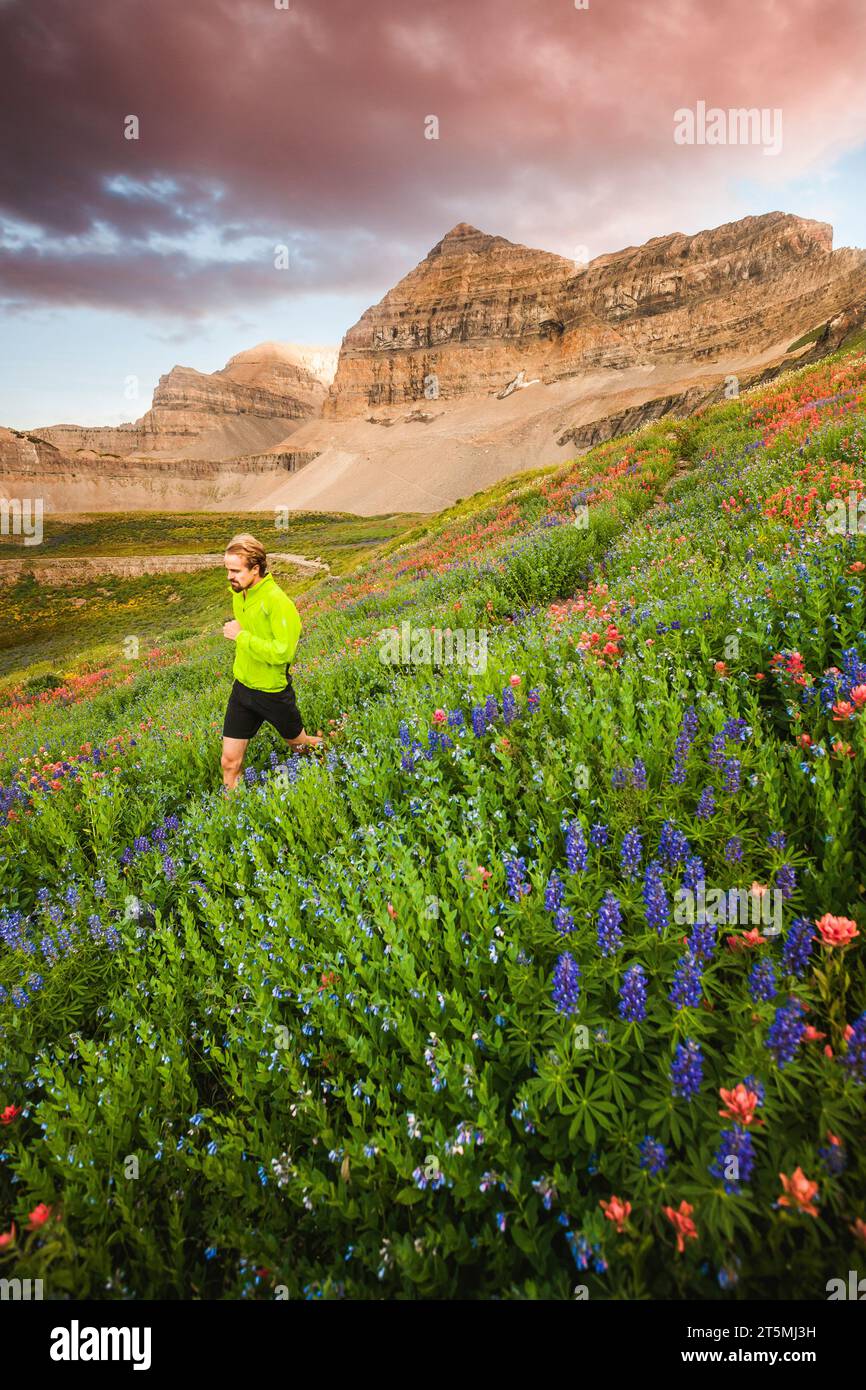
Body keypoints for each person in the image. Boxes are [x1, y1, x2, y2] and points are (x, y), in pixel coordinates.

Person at [220, 533, 323, 790]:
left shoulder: (278, 602)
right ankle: (232, 818)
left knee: (301, 747)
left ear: (256, 569)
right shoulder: (239, 593)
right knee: (229, 762)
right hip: (242, 687)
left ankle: (335, 753)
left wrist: (241, 637)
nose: (229, 576)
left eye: (235, 570)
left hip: (272, 693)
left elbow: (283, 653)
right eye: (227, 569)